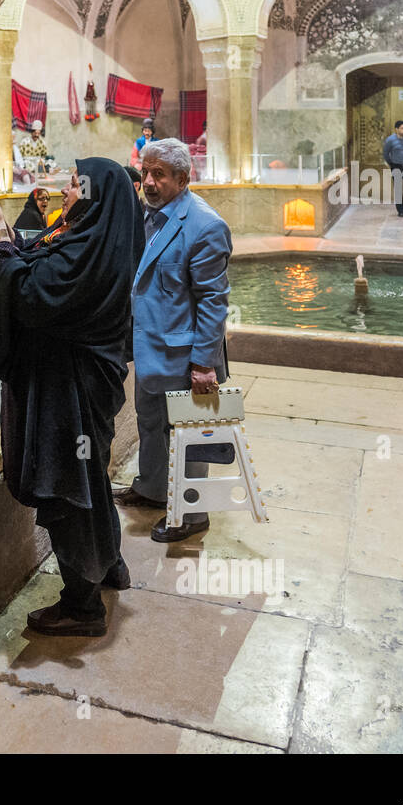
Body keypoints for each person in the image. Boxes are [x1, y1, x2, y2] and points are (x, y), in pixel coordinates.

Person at [0, 158, 144, 637]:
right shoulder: (94, 240)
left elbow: (31, 294)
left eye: (73, 185)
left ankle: (82, 607)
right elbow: (41, 259)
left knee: (69, 489)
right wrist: (8, 231)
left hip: (71, 390)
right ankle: (109, 566)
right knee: (91, 482)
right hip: (77, 383)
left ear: (95, 196)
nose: (65, 191)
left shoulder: (86, 253)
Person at [114, 139, 232, 543]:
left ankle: (192, 513)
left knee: (191, 434)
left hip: (187, 357)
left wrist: (203, 364)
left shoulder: (204, 225)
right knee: (151, 423)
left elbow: (214, 303)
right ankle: (151, 489)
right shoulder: (146, 217)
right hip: (153, 352)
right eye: (145, 172)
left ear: (183, 178)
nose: (148, 181)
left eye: (158, 174)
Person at [383, 120, 403, 216]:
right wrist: (391, 164)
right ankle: (400, 210)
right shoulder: (390, 140)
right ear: (397, 129)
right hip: (396, 166)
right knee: (398, 188)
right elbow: (385, 154)